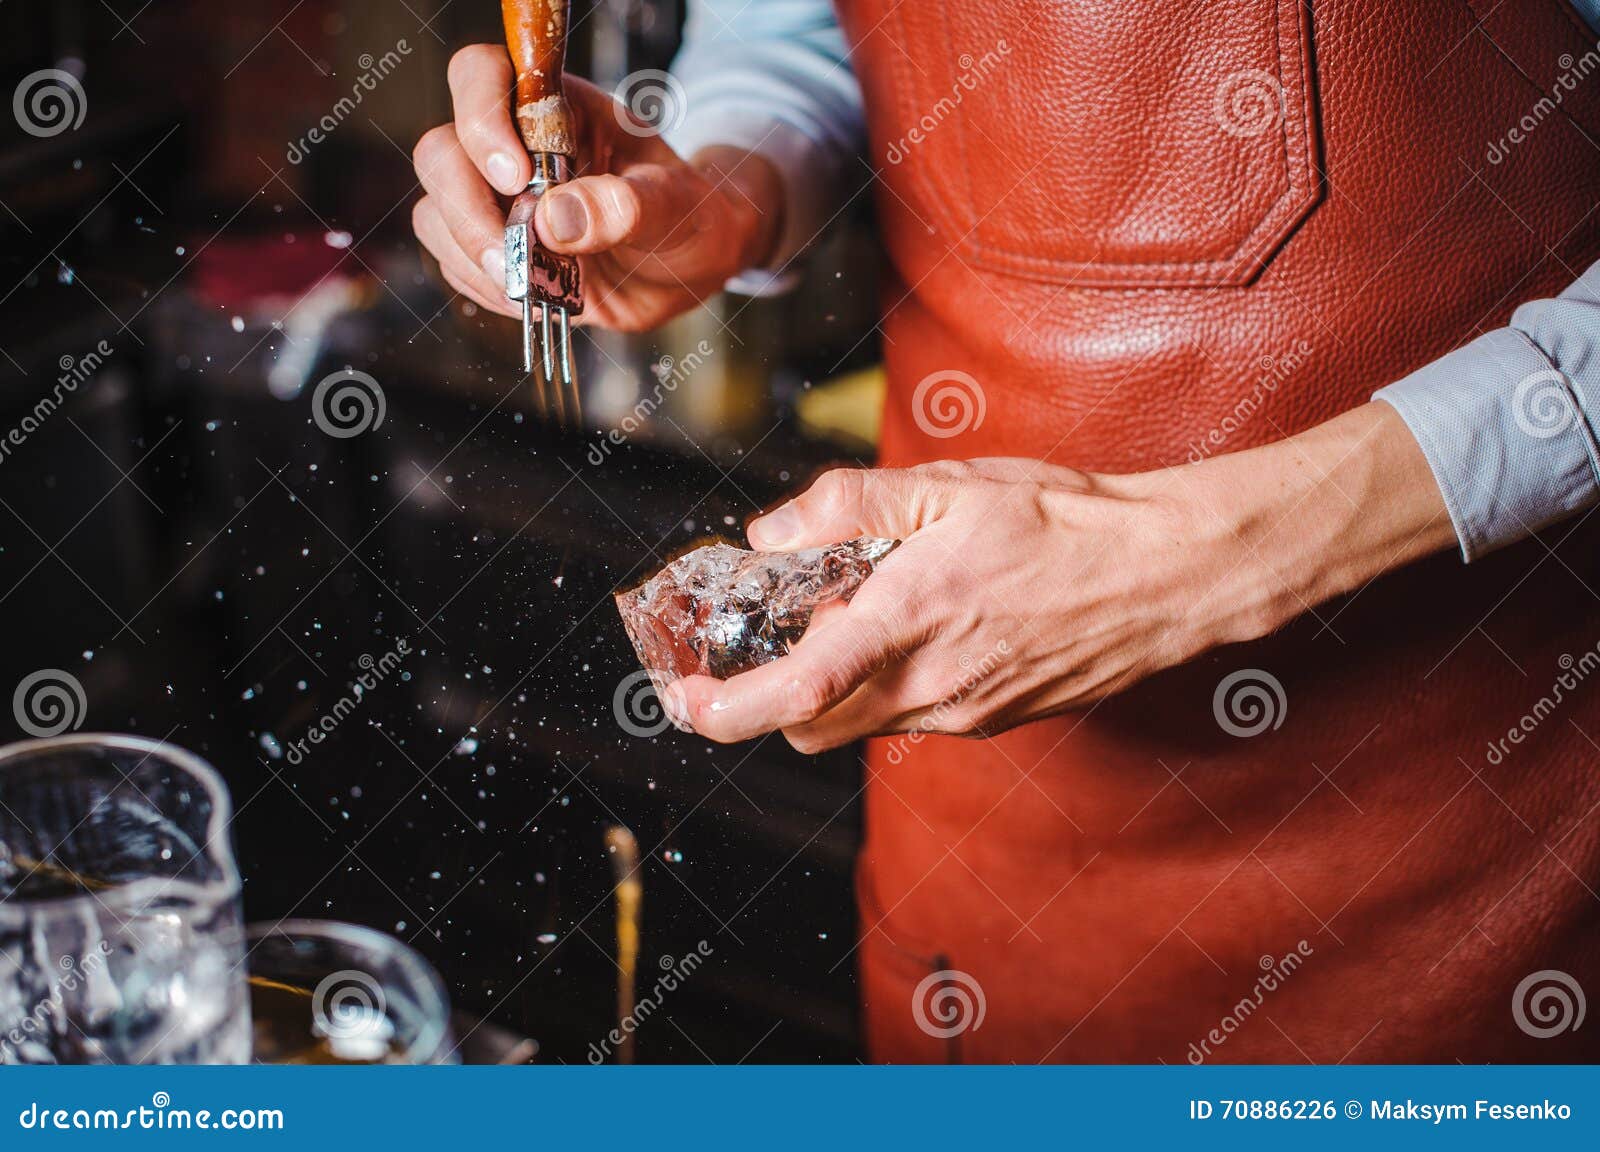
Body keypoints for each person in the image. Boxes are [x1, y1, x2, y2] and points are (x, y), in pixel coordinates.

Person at [414, 1, 1600, 1062]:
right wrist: (721, 184)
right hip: (980, 760)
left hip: (1468, 789)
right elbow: (794, 35)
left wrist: (1185, 557)